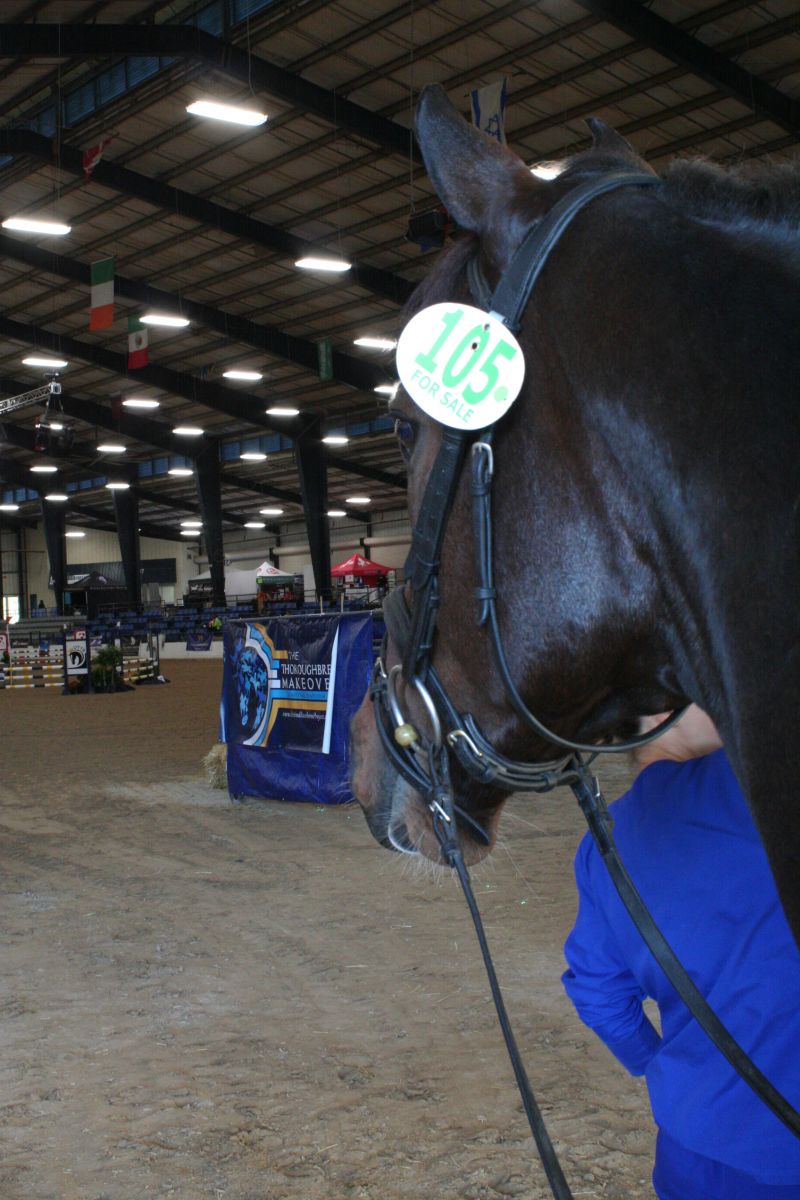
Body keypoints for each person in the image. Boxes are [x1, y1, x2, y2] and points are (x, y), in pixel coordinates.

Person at [562, 706, 800, 1199]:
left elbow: (600, 997)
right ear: (659, 712)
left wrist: (672, 1072)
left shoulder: (604, 843)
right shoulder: (770, 787)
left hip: (695, 1150)